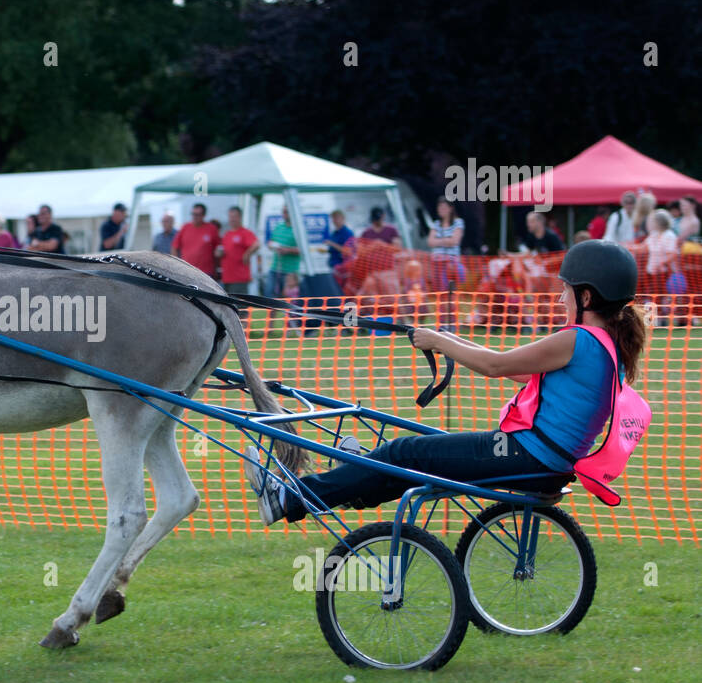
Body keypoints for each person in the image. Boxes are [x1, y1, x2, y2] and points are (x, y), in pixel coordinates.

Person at [245, 239, 645, 525]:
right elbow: (515, 368)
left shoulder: (577, 340)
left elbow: (495, 366)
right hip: (545, 463)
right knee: (408, 459)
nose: (561, 299)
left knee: (404, 451)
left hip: (526, 457)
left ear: (587, 298)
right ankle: (353, 478)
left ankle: (289, 499)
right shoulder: (605, 345)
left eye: (565, 291)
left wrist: (438, 341)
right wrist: (445, 338)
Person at [216, 205, 260, 295]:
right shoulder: (227, 234)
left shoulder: (245, 232)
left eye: (234, 217)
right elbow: (222, 251)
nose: (232, 219)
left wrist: (247, 254)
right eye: (230, 217)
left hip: (239, 278)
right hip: (226, 277)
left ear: (240, 217)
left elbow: (256, 244)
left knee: (239, 303)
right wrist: (219, 253)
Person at [427, 197, 466, 294]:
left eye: (444, 207)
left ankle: (452, 297)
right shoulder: (436, 224)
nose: (441, 210)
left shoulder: (458, 222)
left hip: (452, 261)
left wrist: (438, 241)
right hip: (437, 262)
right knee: (441, 290)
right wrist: (447, 240)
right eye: (440, 207)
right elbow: (430, 242)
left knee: (457, 277)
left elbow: (455, 241)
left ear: (450, 208)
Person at [171, 203, 219, 277]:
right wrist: (176, 265)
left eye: (197, 214)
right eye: (193, 214)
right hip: (187, 272)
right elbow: (174, 247)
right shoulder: (185, 227)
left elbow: (218, 248)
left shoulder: (211, 229)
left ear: (204, 215)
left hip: (206, 273)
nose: (194, 217)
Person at [266, 205, 301, 298]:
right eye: (283, 211)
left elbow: (302, 250)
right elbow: (270, 242)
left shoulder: (299, 229)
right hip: (275, 268)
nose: (284, 214)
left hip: (290, 272)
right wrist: (272, 245)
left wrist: (287, 250)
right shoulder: (278, 227)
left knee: (288, 299)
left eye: (286, 212)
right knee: (269, 296)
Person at [643, 209, 680, 290]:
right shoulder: (654, 234)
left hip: (664, 273)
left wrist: (661, 263)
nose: (650, 223)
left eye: (652, 221)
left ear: (658, 222)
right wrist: (627, 247)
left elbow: (673, 254)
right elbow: (643, 247)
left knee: (659, 294)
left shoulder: (669, 235)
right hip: (652, 271)